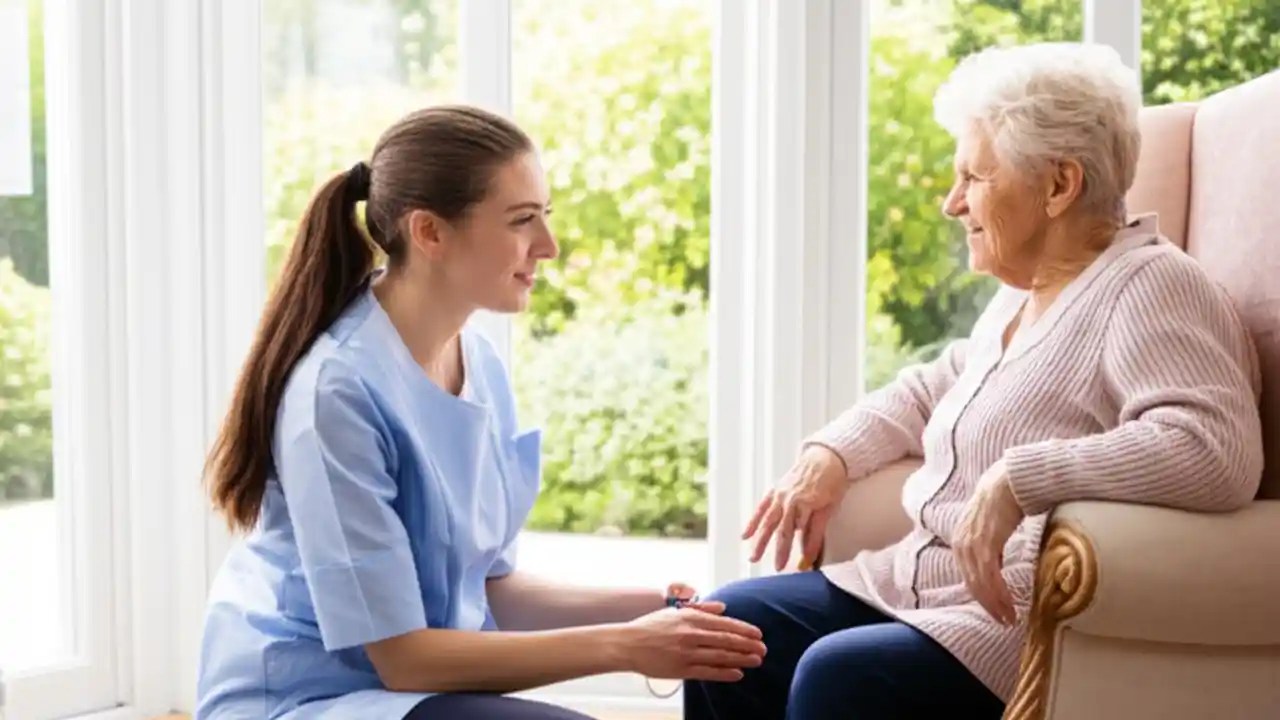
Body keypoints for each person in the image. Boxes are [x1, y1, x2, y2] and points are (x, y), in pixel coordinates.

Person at [686, 42, 1266, 720]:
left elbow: (1213, 449)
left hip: (1011, 612)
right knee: (720, 633)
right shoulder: (1027, 295)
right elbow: (928, 387)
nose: (951, 203)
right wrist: (830, 455)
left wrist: (1021, 477)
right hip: (913, 584)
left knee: (840, 677)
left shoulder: (1151, 287)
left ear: (1059, 185)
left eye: (974, 177)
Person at [195, 105, 766, 720]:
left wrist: (652, 605)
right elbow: (405, 658)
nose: (547, 247)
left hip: (406, 686)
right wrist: (626, 645)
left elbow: (489, 588)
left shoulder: (479, 364)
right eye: (522, 221)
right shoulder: (335, 393)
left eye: (545, 217)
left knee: (729, 635)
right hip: (308, 697)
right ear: (430, 233)